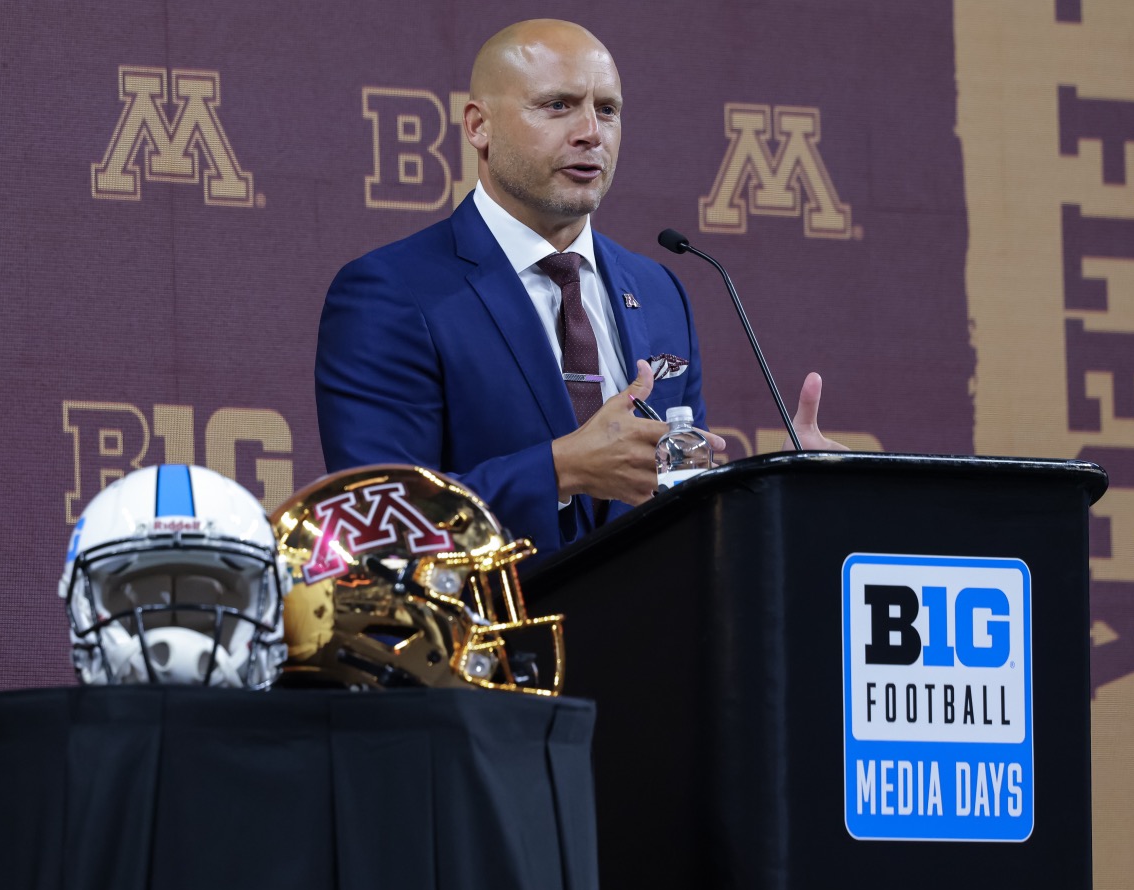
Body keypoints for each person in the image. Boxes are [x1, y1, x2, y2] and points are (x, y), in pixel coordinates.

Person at [316, 19, 843, 556]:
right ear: (479, 126)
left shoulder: (659, 290)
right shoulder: (392, 291)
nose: (591, 131)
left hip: (653, 630)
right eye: (557, 106)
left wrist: (780, 488)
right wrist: (560, 471)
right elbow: (375, 522)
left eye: (607, 110)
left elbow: (679, 502)